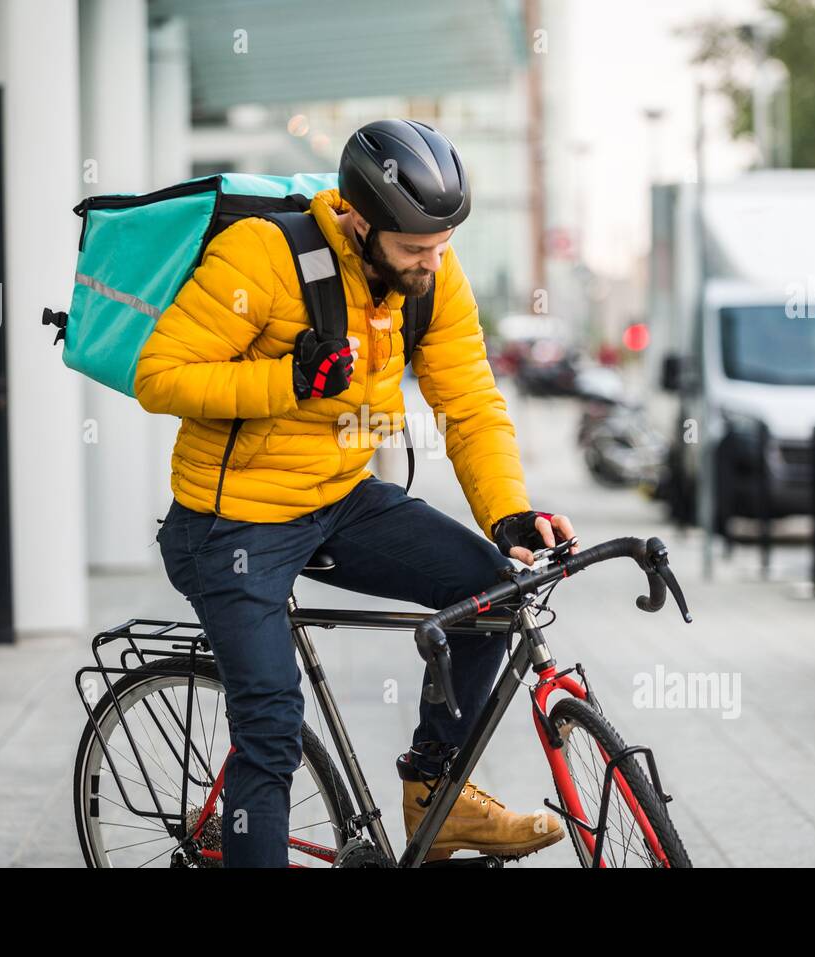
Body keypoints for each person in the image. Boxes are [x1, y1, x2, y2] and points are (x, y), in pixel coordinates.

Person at [135, 119, 577, 867]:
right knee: (271, 729)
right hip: (231, 523)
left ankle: (436, 791)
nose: (431, 264)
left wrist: (508, 512)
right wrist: (286, 378)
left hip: (338, 500)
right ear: (358, 218)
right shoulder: (264, 257)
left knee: (490, 592)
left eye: (440, 246)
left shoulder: (432, 272)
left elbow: (469, 402)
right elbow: (159, 375)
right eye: (414, 250)